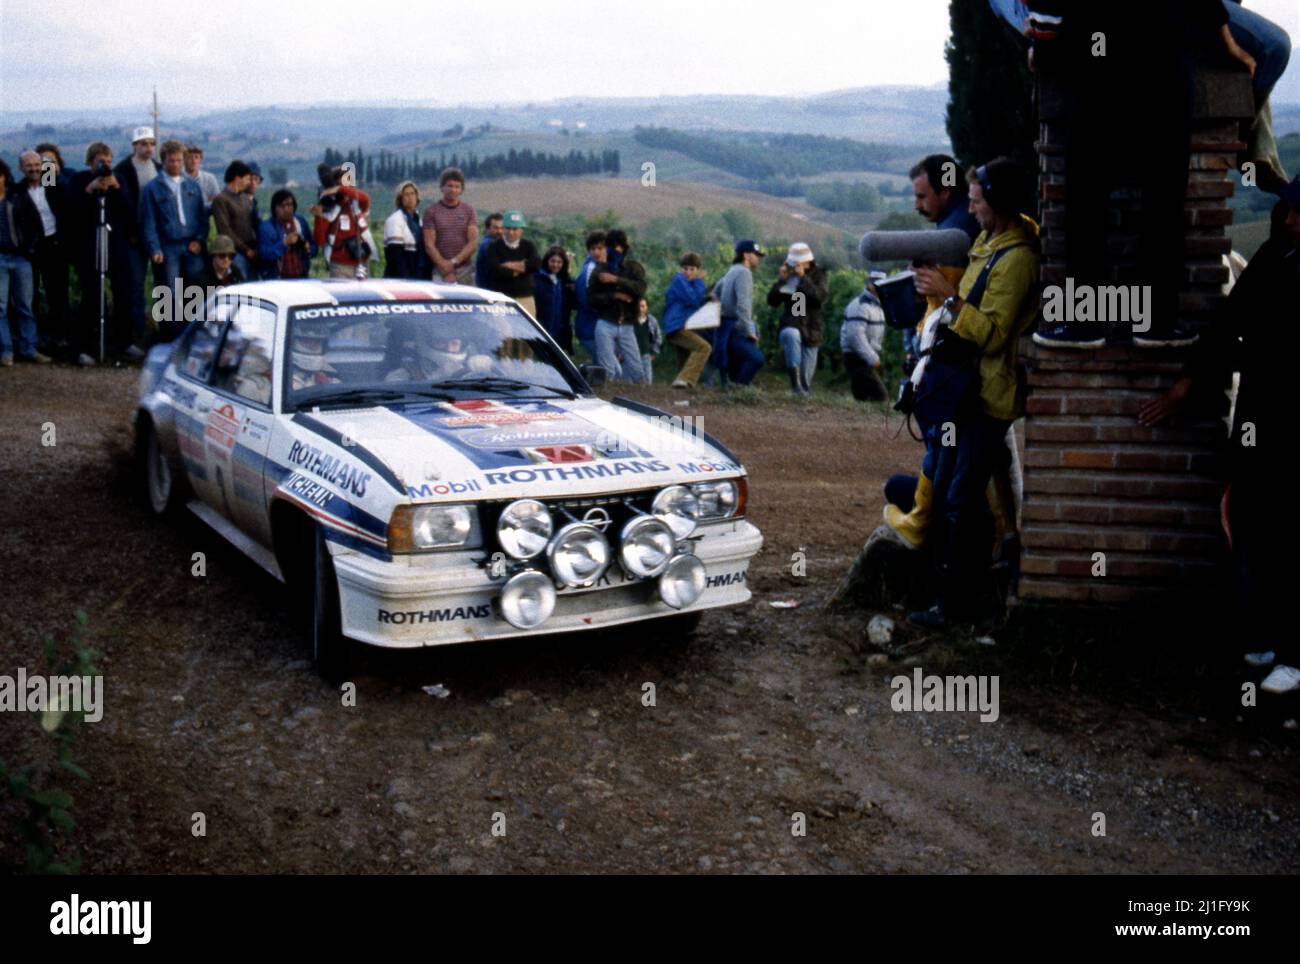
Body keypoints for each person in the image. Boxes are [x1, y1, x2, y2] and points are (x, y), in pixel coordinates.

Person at [1139, 178, 1300, 695]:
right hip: (1262, 416)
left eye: (1299, 213)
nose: (1289, 220)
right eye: (1288, 210)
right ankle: (1263, 637)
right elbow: (1232, 323)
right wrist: (1189, 382)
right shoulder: (1279, 253)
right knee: (1252, 518)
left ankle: (1296, 655)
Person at [901, 158, 1041, 630]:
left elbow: (994, 334)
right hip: (967, 395)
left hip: (987, 398)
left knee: (963, 497)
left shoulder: (1018, 257)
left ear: (997, 204)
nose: (972, 207)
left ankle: (960, 606)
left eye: (978, 200)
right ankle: (956, 596)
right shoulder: (989, 240)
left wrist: (948, 295)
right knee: (953, 492)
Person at [69, 142, 135, 364]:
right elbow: (71, 210)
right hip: (90, 245)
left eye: (108, 161)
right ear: (90, 162)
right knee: (92, 295)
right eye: (100, 161)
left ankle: (123, 342)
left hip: (115, 243)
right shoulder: (79, 180)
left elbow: (129, 210)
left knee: (123, 292)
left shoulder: (119, 179)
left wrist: (116, 188)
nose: (105, 166)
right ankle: (84, 346)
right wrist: (90, 190)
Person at [140, 140, 208, 337]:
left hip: (191, 244)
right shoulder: (153, 188)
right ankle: (170, 337)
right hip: (168, 245)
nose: (176, 165)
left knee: (195, 289)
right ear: (164, 161)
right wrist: (154, 248)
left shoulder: (192, 187)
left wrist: (200, 239)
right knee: (169, 291)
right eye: (171, 161)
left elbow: (202, 216)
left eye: (179, 160)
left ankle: (194, 334)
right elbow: (149, 222)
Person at [18, 150, 73, 355]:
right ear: (21, 169)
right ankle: (32, 339)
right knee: (28, 295)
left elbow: (65, 200)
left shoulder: (50, 183)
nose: (33, 169)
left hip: (54, 244)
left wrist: (53, 171)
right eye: (28, 166)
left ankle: (61, 338)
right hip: (31, 247)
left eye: (37, 165)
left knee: (57, 293)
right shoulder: (19, 190)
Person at [113, 126, 160, 358]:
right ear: (135, 146)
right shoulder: (123, 170)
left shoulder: (159, 169)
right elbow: (120, 206)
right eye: (143, 144)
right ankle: (135, 337)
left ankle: (162, 334)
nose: (148, 148)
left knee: (164, 286)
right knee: (136, 287)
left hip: (157, 237)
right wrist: (130, 232)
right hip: (133, 238)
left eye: (151, 143)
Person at [0, 159, 46, 366]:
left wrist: (29, 250)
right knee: (0, 307)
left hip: (20, 258)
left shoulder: (18, 196)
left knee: (24, 305)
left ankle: (28, 347)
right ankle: (6, 350)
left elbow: (36, 224)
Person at [767, 241, 828, 396]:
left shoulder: (819, 275)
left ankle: (801, 397)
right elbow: (772, 302)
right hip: (792, 323)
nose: (795, 266)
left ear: (807, 261)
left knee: (806, 380)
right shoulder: (789, 277)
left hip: (811, 328)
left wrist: (803, 279)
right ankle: (795, 385)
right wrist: (781, 280)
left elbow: (819, 298)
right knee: (790, 334)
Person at [588, 228, 647, 384]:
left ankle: (642, 396)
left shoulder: (633, 268)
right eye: (613, 246)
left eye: (619, 246)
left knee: (636, 368)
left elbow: (640, 288)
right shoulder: (600, 270)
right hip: (606, 322)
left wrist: (616, 280)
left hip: (627, 323)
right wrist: (614, 296)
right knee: (608, 370)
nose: (616, 250)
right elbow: (591, 298)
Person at [713, 240, 766, 387]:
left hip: (725, 326)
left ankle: (733, 383)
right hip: (736, 326)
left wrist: (722, 307)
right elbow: (743, 306)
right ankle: (739, 386)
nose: (758, 258)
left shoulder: (732, 270)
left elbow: (715, 292)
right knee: (757, 358)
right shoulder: (744, 273)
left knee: (740, 357)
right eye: (756, 254)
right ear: (746, 255)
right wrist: (750, 331)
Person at [661, 252, 713, 390]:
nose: (688, 272)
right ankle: (685, 380)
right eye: (685, 268)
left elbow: (697, 299)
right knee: (703, 347)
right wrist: (699, 280)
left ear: (697, 269)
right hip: (677, 326)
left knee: (685, 359)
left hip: (684, 325)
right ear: (680, 269)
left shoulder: (690, 283)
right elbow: (694, 300)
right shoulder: (678, 280)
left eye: (692, 269)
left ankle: (680, 388)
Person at [312, 164, 373, 279]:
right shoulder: (330, 208)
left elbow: (366, 198)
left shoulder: (357, 204)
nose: (346, 190)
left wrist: (342, 189)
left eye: (348, 185)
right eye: (340, 184)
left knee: (365, 296)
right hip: (340, 264)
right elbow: (319, 240)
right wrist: (319, 216)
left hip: (361, 261)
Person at [422, 167, 478, 283]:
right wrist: (443, 266)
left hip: (465, 269)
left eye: (457, 187)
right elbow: (429, 244)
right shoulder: (431, 211)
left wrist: (453, 262)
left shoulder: (469, 210)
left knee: (466, 301)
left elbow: (472, 242)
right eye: (450, 186)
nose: (453, 190)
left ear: (462, 190)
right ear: (442, 187)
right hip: (439, 269)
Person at [481, 210, 541, 315]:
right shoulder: (494, 246)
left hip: (525, 297)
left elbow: (535, 265)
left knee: (526, 330)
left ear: (521, 230)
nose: (511, 232)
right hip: (501, 297)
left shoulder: (528, 246)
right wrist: (522, 268)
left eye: (515, 229)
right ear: (503, 229)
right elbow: (495, 270)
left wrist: (508, 265)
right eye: (508, 228)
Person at [841, 283, 889, 402]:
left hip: (865, 356)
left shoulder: (877, 305)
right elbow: (855, 337)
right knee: (880, 397)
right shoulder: (859, 305)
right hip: (856, 356)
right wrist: (873, 359)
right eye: (876, 283)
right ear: (870, 285)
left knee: (862, 397)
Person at [210, 160, 257, 278]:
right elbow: (225, 229)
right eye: (247, 179)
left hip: (251, 250)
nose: (248, 183)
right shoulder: (221, 200)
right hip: (235, 253)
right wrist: (245, 249)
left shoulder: (245, 198)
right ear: (237, 178)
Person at [257, 189, 314, 279]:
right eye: (282, 206)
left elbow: (313, 247)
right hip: (277, 278)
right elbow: (264, 255)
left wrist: (307, 248)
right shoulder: (266, 227)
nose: (286, 209)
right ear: (275, 208)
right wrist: (284, 244)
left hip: (301, 276)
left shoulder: (300, 222)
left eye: (289, 205)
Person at [533, 245, 575, 354]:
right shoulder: (538, 278)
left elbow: (573, 305)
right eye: (553, 261)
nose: (555, 265)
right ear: (547, 261)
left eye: (559, 262)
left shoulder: (565, 281)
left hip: (560, 328)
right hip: (543, 325)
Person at [573, 231, 607, 363]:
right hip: (590, 327)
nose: (596, 252)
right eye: (593, 249)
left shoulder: (605, 267)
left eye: (600, 248)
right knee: (606, 366)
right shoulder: (590, 270)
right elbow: (586, 300)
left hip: (599, 327)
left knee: (600, 365)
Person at [383, 181, 427, 280]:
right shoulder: (395, 220)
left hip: (417, 273)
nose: (410, 197)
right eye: (406, 194)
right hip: (400, 276)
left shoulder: (419, 220)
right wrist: (406, 279)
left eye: (412, 193)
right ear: (400, 198)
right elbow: (395, 254)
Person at [634, 297, 662, 384]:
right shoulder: (630, 320)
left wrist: (654, 353)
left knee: (647, 383)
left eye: (643, 306)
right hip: (630, 356)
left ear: (646, 307)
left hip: (646, 356)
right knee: (629, 383)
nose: (641, 309)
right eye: (639, 306)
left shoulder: (652, 321)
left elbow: (658, 338)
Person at [474, 212, 503, 288]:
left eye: (502, 228)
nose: (499, 231)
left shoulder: (498, 243)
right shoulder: (488, 243)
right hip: (488, 291)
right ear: (487, 229)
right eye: (496, 228)